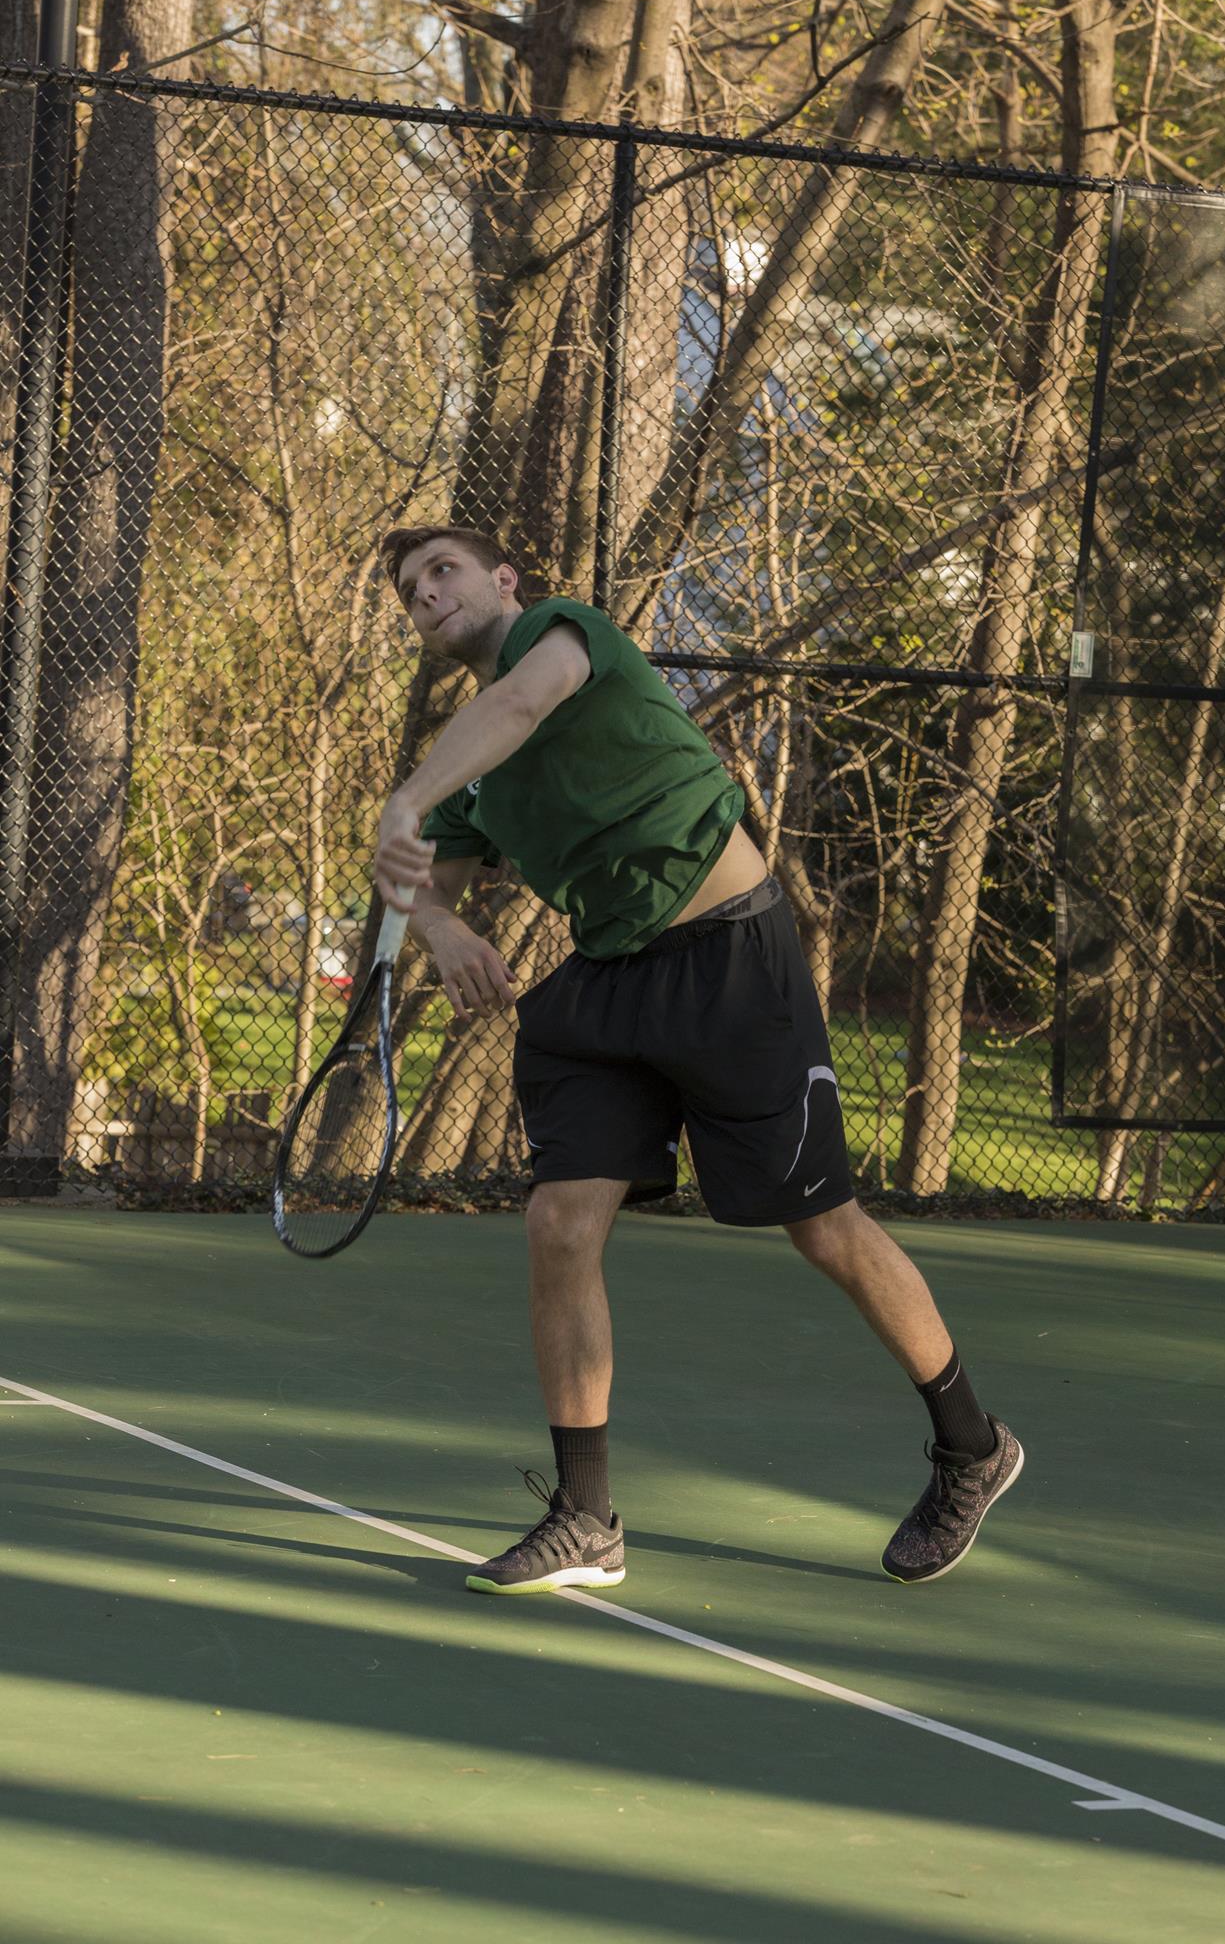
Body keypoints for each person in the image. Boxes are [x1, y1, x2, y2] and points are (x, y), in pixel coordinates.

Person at [373, 524, 1023, 1595]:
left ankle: (971, 1445)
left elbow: (520, 706)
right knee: (558, 1220)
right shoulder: (466, 775)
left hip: (731, 956)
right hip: (606, 980)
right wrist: (440, 928)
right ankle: (585, 1516)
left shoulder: (562, 636)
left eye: (441, 570)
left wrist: (401, 799)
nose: (424, 593)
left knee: (823, 1228)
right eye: (407, 590)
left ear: (503, 578)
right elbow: (427, 880)